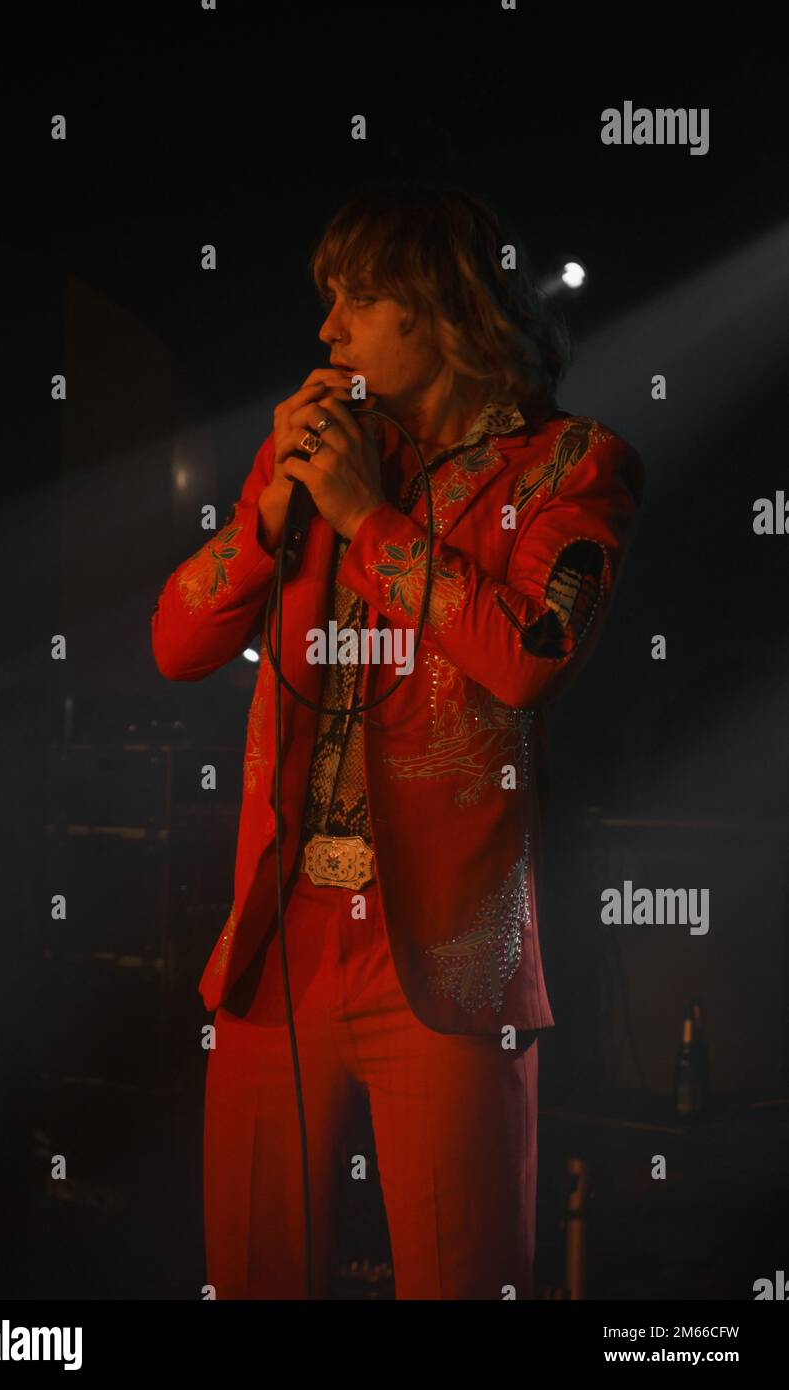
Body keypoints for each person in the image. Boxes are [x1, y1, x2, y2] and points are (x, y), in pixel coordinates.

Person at [150, 180, 644, 1299]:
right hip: (283, 940)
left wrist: (367, 517)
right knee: (251, 1273)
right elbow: (176, 642)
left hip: (451, 949)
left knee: (461, 1278)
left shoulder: (572, 465)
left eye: (357, 302)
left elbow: (528, 654)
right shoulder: (320, 455)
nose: (326, 332)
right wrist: (275, 510)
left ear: (444, 307)